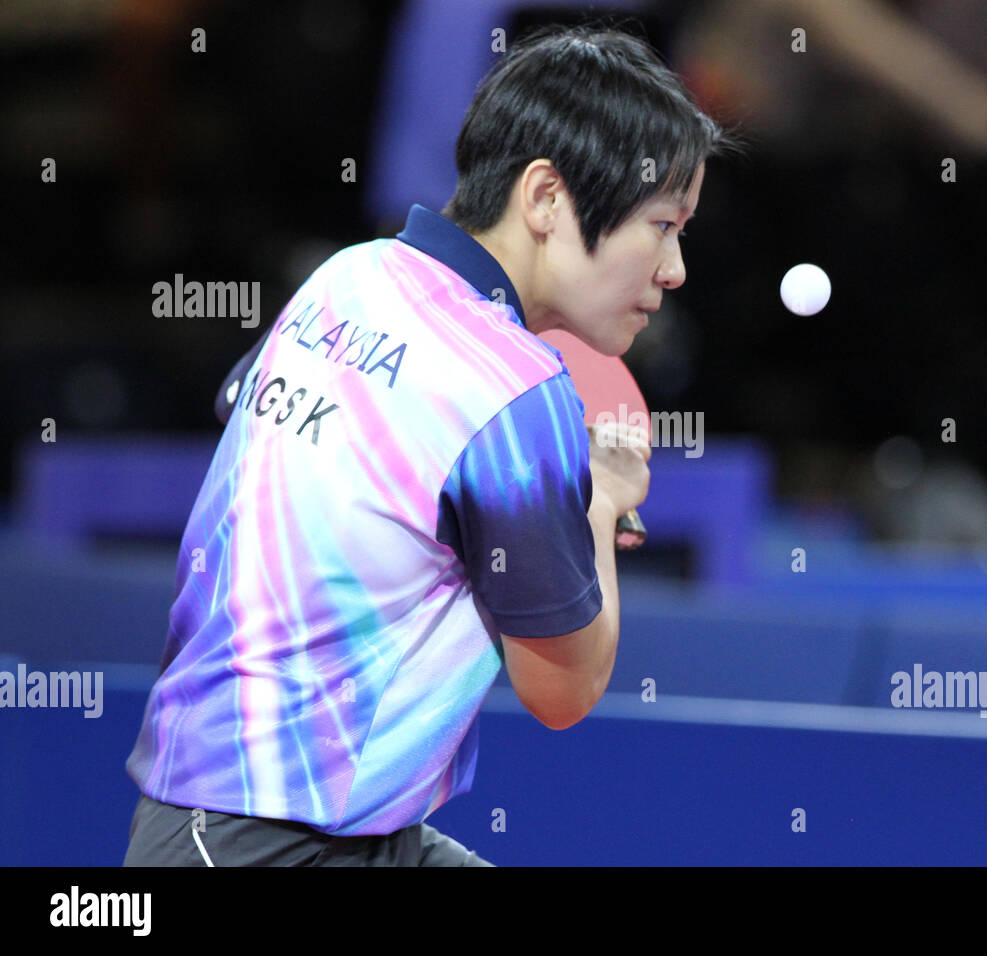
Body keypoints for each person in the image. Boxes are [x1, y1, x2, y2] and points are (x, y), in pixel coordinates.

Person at [122, 22, 741, 866]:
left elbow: (250, 408)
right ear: (548, 199)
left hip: (349, 830)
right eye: (662, 225)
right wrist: (594, 504)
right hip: (254, 841)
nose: (673, 270)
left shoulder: (349, 275)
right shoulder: (515, 389)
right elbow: (563, 688)